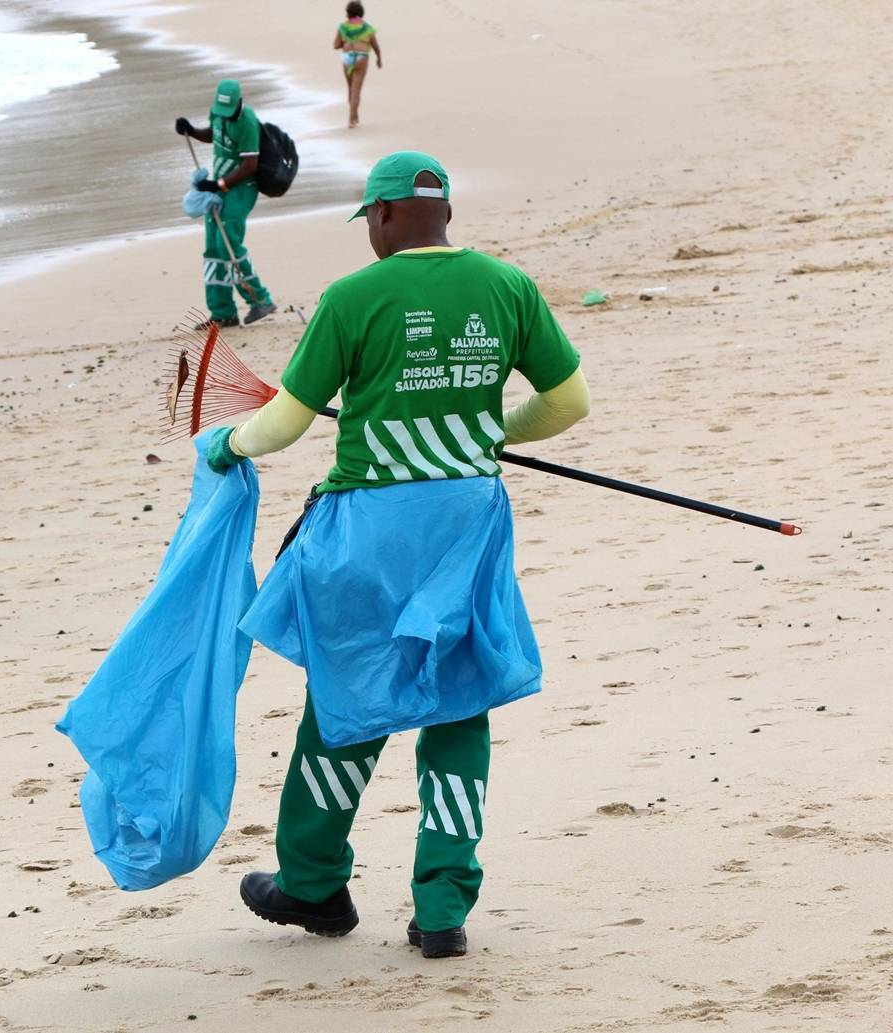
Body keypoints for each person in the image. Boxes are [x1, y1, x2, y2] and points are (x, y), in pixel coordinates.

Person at [204, 152, 591, 958]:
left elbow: (283, 424)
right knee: (457, 699)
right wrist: (491, 432)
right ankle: (443, 905)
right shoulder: (508, 288)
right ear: (443, 211)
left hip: (370, 530)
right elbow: (569, 401)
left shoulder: (353, 298)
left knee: (348, 693)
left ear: (381, 217)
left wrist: (224, 446)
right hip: (468, 522)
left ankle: (312, 883)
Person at [175, 79, 276, 328]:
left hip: (240, 190)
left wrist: (219, 185)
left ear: (239, 102)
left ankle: (260, 300)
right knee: (213, 250)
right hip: (220, 189)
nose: (224, 117)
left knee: (228, 243)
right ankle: (222, 313)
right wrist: (191, 130)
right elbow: (213, 134)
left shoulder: (247, 121)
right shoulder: (218, 112)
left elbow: (250, 165)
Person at [333, 2, 382, 128]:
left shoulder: (343, 27)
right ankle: (352, 119)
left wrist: (346, 43)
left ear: (348, 13)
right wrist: (379, 58)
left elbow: (336, 45)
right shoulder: (367, 27)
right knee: (356, 90)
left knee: (350, 88)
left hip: (347, 58)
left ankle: (354, 115)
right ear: (361, 13)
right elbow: (375, 45)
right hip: (361, 57)